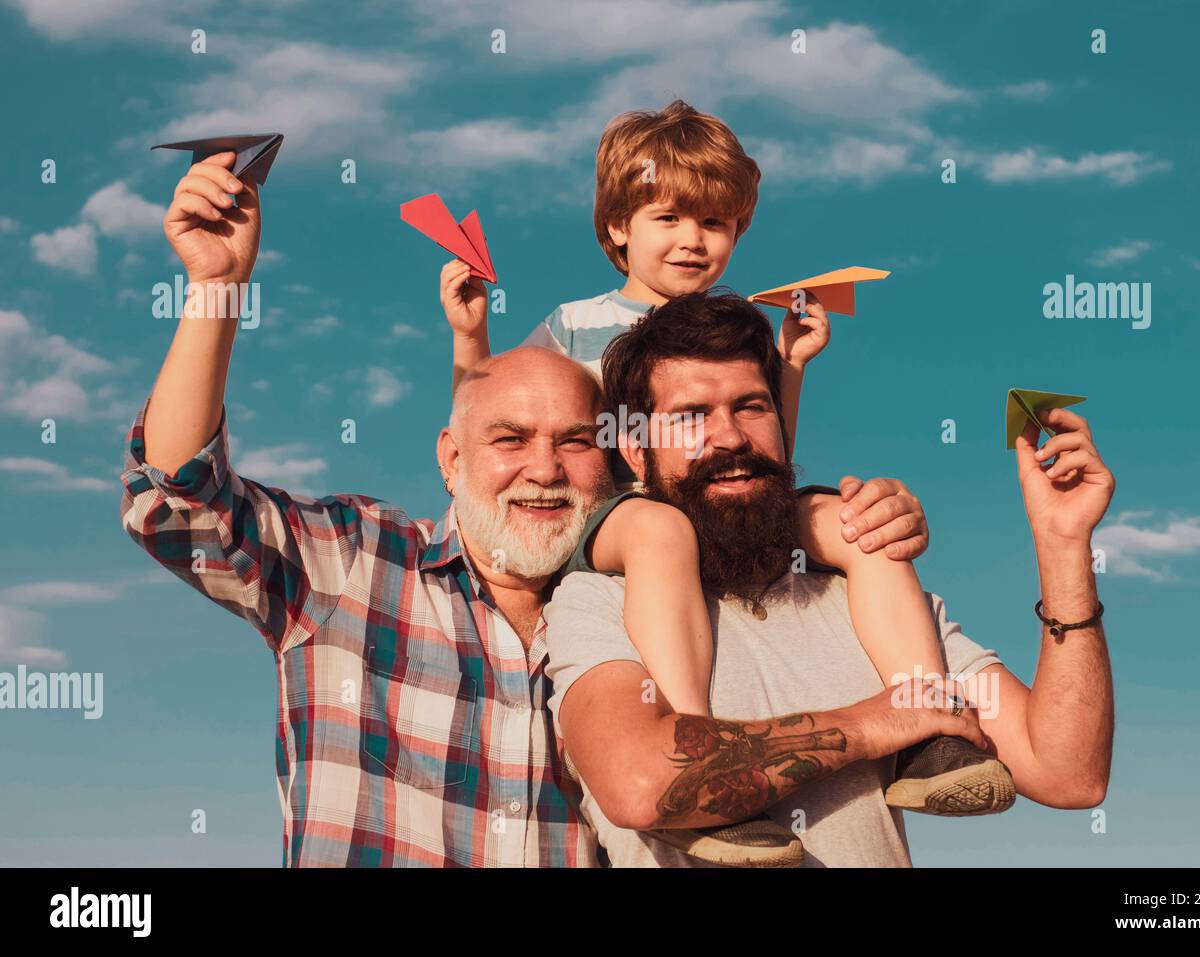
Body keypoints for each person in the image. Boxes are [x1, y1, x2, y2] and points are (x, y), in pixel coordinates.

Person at [119, 152, 911, 866]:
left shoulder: (639, 629)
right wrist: (217, 286)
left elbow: (742, 470)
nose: (542, 467)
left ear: (617, 456)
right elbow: (179, 502)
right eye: (511, 440)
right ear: (451, 456)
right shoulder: (356, 568)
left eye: (575, 439)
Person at [543, 291, 1117, 867]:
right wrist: (875, 722)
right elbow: (639, 786)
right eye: (691, 416)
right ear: (636, 451)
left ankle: (925, 748)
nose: (731, 437)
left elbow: (1069, 775)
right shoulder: (599, 603)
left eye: (752, 406)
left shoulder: (869, 589)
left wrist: (1063, 545)